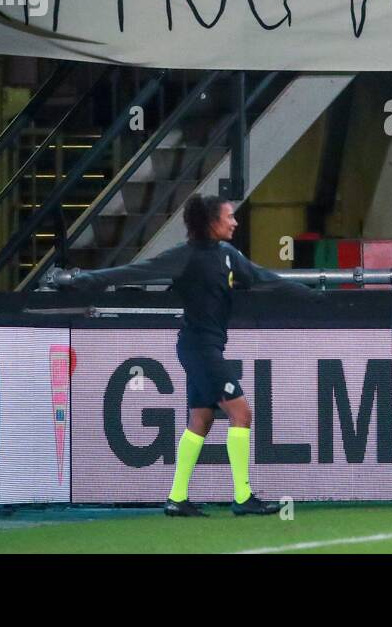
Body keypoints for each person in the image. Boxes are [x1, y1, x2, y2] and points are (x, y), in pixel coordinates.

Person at [49, 194, 319, 517]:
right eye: (229, 216)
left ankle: (177, 498)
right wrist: (82, 280)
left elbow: (264, 279)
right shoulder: (185, 257)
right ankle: (243, 497)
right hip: (198, 348)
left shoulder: (229, 255)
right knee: (242, 413)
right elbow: (134, 272)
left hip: (207, 347)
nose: (235, 222)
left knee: (201, 420)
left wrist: (309, 294)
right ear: (210, 223)